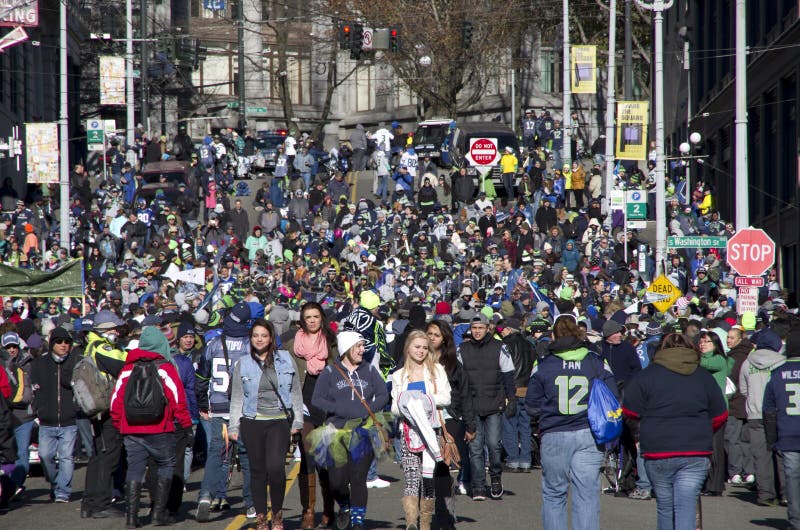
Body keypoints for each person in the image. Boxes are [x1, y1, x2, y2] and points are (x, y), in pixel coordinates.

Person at [623, 333, 728, 530]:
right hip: (695, 449)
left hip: (658, 448)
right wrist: (704, 430)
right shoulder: (703, 376)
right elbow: (721, 414)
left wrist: (645, 426)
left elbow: (629, 410)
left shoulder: (647, 375)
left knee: (665, 506)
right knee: (686, 506)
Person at [526, 315, 618, 530]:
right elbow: (613, 395)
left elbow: (531, 404)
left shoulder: (543, 363)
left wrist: (547, 411)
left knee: (554, 494)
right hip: (589, 432)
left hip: (554, 432)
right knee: (586, 494)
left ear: (554, 335)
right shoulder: (595, 361)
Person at [109, 326, 193, 528]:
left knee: (135, 469)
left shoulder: (128, 368)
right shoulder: (165, 368)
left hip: (132, 429)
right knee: (166, 465)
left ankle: (131, 517)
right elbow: (177, 399)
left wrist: (120, 424)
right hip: (160, 428)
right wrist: (186, 425)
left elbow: (115, 401)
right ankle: (158, 513)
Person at [228, 319, 303, 530]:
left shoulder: (286, 359)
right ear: (250, 339)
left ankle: (277, 514)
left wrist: (297, 420)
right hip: (252, 422)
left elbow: (295, 391)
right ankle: (261, 517)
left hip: (278, 420)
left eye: (263, 335)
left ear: (271, 338)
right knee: (257, 471)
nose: (259, 339)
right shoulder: (243, 363)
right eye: (255, 336)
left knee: (276, 468)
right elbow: (237, 398)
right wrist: (233, 427)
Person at [311, 331, 390, 530]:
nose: (363, 350)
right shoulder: (330, 372)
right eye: (359, 346)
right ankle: (345, 505)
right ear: (347, 348)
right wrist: (339, 409)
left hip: (363, 431)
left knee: (358, 477)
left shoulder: (370, 370)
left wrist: (367, 409)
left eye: (363, 346)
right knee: (337, 481)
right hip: (336, 432)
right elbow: (316, 399)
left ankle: (357, 520)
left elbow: (383, 394)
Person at [195, 302, 255, 521]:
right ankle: (250, 503)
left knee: (215, 455)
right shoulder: (251, 346)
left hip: (219, 408)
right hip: (244, 411)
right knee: (248, 458)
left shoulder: (212, 344)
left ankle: (204, 496)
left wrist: (203, 405)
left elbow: (201, 379)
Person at [391, 330, 451, 530]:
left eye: (425, 348)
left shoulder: (437, 370)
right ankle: (411, 522)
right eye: (417, 347)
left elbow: (446, 398)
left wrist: (423, 400)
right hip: (408, 431)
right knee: (410, 477)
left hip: (432, 432)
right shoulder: (398, 375)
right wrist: (406, 404)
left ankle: (425, 523)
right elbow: (394, 407)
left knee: (428, 479)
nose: (421, 351)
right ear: (408, 347)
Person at [286, 302, 338, 529]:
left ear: (322, 318)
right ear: (302, 320)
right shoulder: (291, 344)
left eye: (316, 316)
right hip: (302, 404)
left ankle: (328, 510)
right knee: (307, 457)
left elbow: (340, 373)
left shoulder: (331, 341)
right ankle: (308, 511)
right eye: (308, 317)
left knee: (325, 462)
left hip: (326, 407)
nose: (313, 320)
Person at [457, 313, 516, 500]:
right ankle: (478, 485)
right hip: (471, 406)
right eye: (474, 328)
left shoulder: (501, 347)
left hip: (494, 405)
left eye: (480, 328)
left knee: (493, 445)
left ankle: (496, 477)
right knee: (475, 448)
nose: (477, 332)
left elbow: (508, 376)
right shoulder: (462, 349)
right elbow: (457, 380)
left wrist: (511, 399)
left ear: (488, 328)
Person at [80, 310, 129, 519]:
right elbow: (123, 366)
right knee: (109, 456)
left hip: (98, 409)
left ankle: (89, 503)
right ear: (103, 329)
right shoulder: (102, 347)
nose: (117, 332)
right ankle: (100, 504)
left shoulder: (92, 345)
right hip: (107, 409)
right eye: (113, 328)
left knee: (98, 456)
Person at [427, 320, 474, 529]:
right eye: (429, 333)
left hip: (450, 418)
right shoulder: (417, 358)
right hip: (424, 418)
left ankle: (444, 512)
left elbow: (465, 395)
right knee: (427, 468)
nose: (431, 338)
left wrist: (471, 425)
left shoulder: (454, 364)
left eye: (436, 335)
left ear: (444, 338)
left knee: (443, 466)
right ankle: (429, 510)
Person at [30, 326, 79, 503]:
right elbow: (34, 390)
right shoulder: (39, 364)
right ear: (52, 344)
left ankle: (63, 492)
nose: (63, 345)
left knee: (66, 457)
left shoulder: (75, 362)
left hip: (69, 421)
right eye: (59, 341)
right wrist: (38, 409)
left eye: (67, 342)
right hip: (46, 421)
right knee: (45, 455)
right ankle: (56, 482)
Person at [740, 327, 787, 506]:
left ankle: (765, 494)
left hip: (755, 413)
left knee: (761, 455)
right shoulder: (782, 362)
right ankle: (785, 493)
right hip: (777, 413)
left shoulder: (747, 362)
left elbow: (743, 389)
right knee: (781, 454)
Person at [763, 327, 800, 530]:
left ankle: (796, 520)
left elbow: (769, 410)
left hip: (788, 434)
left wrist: (771, 440)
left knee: (792, 480)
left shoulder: (777, 374)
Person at [498, 317, 536, 473]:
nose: (500, 333)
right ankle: (526, 460)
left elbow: (503, 368)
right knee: (525, 426)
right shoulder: (530, 344)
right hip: (527, 389)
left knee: (510, 425)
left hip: (512, 389)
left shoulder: (505, 344)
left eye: (502, 330)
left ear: (508, 329)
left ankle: (513, 460)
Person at [0, 331, 34, 493]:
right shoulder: (1, 365)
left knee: (21, 452)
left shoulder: (28, 362)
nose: (11, 350)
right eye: (8, 347)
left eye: (14, 346)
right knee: (7, 453)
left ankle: (16, 485)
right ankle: (7, 486)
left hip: (24, 416)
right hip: (5, 415)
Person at [725, 326, 755, 485]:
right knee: (746, 440)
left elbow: (729, 382)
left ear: (740, 339)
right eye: (728, 337)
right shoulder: (751, 354)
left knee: (732, 440)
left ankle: (735, 472)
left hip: (735, 403)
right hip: (750, 403)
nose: (728, 340)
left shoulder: (733, 358)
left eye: (731, 337)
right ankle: (749, 472)